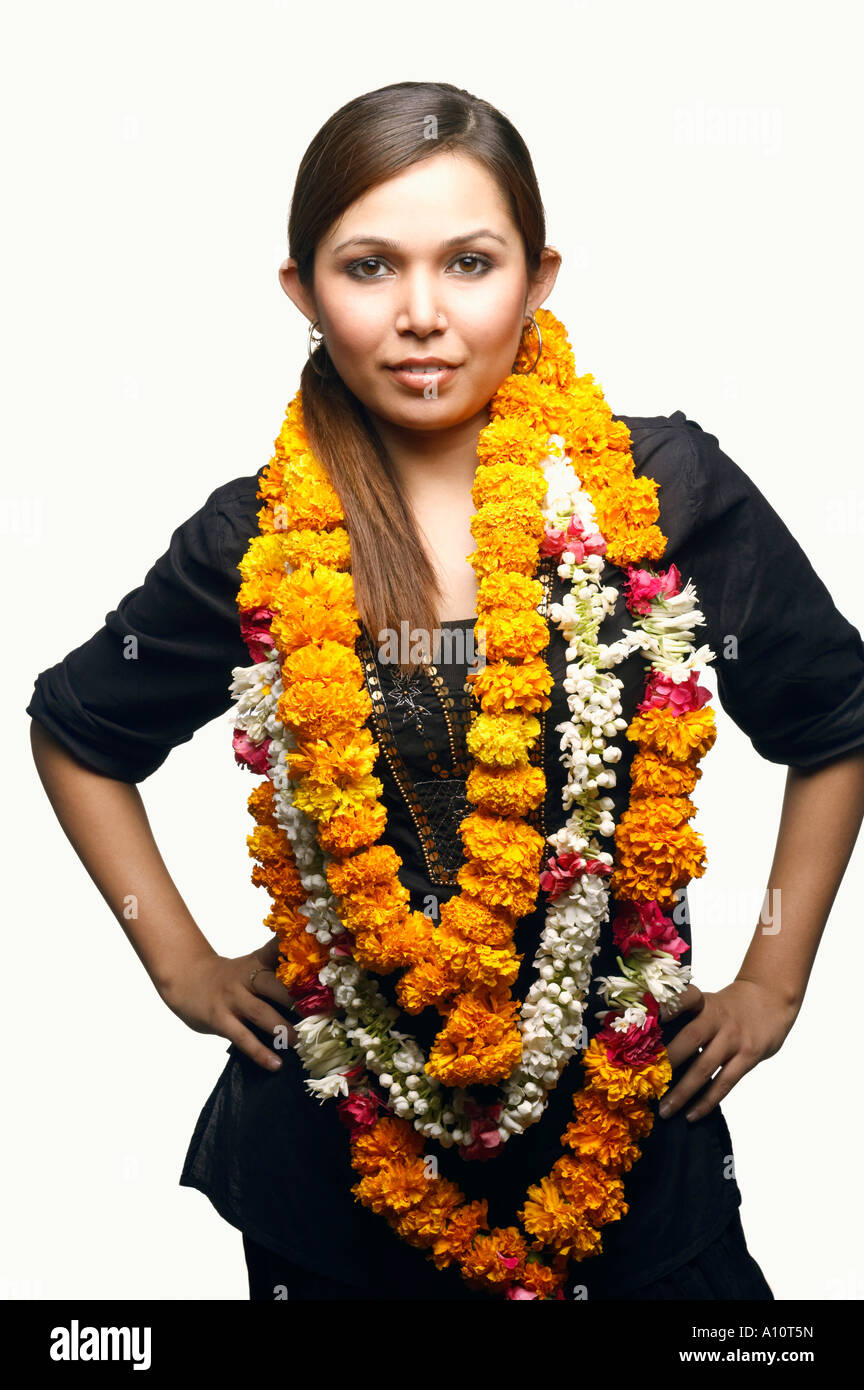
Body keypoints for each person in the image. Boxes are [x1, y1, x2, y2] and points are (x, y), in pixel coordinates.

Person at [26, 81, 864, 1302]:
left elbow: (834, 720)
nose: (422, 314)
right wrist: (182, 966)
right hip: (339, 1161)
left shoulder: (664, 492)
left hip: (626, 1136)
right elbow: (78, 731)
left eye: (468, 263)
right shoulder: (255, 540)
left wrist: (775, 973)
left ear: (538, 277)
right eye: (370, 267)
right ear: (302, 293)